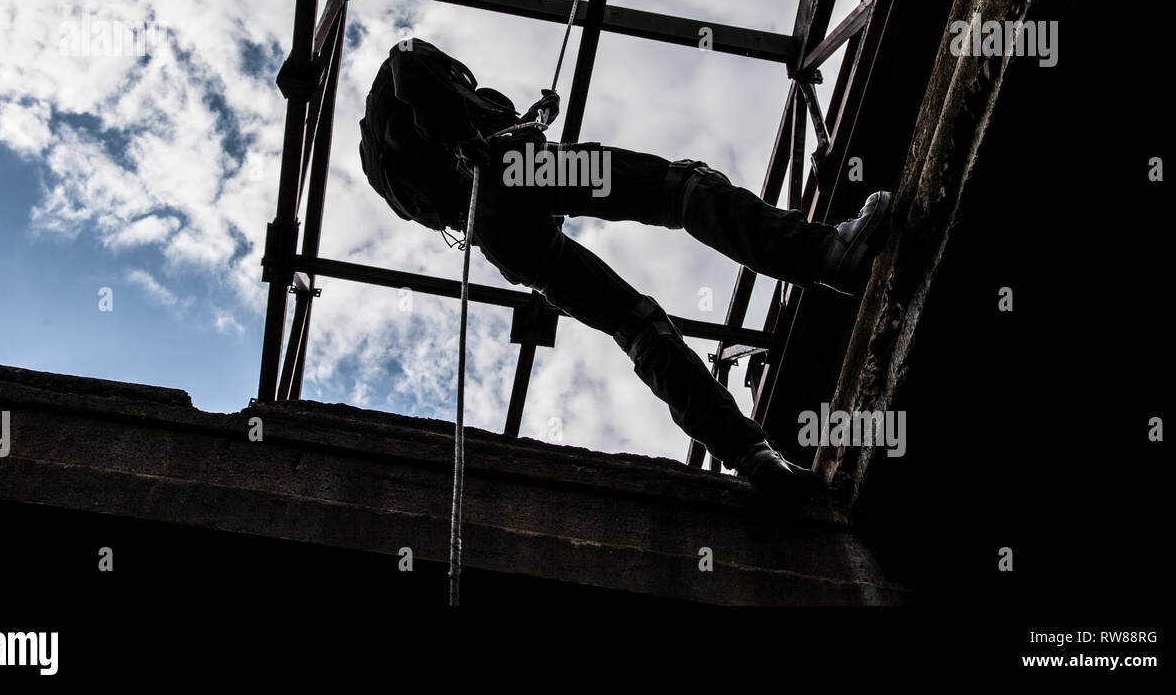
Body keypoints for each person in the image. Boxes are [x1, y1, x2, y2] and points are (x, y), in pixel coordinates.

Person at [359, 38, 891, 504]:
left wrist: (524, 121)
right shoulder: (412, 79)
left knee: (636, 323)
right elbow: (407, 65)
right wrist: (469, 140)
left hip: (503, 240)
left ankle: (749, 453)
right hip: (524, 174)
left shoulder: (400, 169)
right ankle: (826, 255)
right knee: (681, 188)